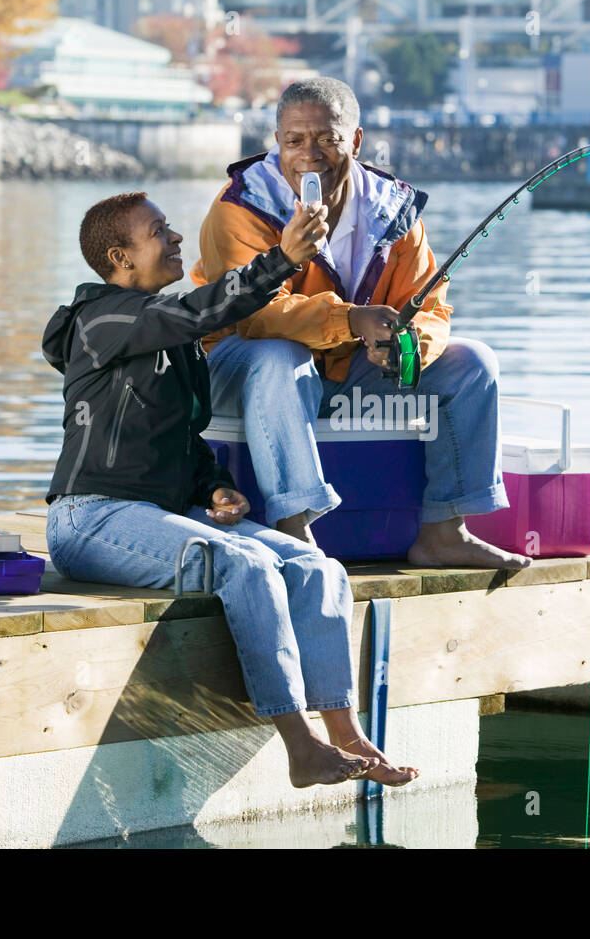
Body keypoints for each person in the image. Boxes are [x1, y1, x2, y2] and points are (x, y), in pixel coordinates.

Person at [42, 190, 418, 789]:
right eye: (158, 231)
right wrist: (282, 259)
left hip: (159, 514)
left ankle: (346, 734)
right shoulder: (100, 320)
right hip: (90, 521)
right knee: (244, 564)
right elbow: (195, 312)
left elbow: (187, 442)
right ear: (119, 257)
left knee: (315, 565)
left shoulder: (164, 336)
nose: (175, 239)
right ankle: (301, 747)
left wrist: (216, 488)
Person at [191, 77, 531, 570]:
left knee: (472, 363)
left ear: (355, 140)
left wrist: (407, 345)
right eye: (293, 141)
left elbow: (430, 305)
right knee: (278, 354)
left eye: (327, 139)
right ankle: (293, 527)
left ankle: (444, 530)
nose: (309, 155)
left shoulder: (394, 209)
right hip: (243, 367)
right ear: (277, 142)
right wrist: (352, 320)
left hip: (346, 368)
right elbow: (253, 317)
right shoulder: (240, 206)